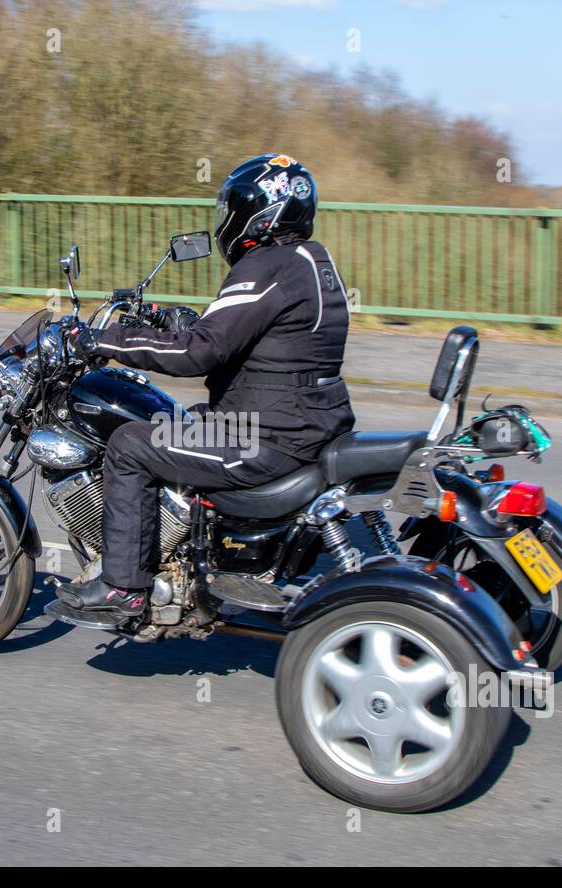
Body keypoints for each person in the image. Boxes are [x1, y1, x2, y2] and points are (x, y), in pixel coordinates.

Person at [58, 154, 354, 617]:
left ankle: (123, 585)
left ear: (257, 212)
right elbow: (256, 339)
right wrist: (171, 323)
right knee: (177, 423)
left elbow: (198, 354)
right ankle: (182, 558)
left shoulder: (267, 265)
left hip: (264, 437)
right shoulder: (309, 260)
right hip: (298, 423)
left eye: (231, 207)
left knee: (130, 444)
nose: (226, 219)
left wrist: (104, 340)